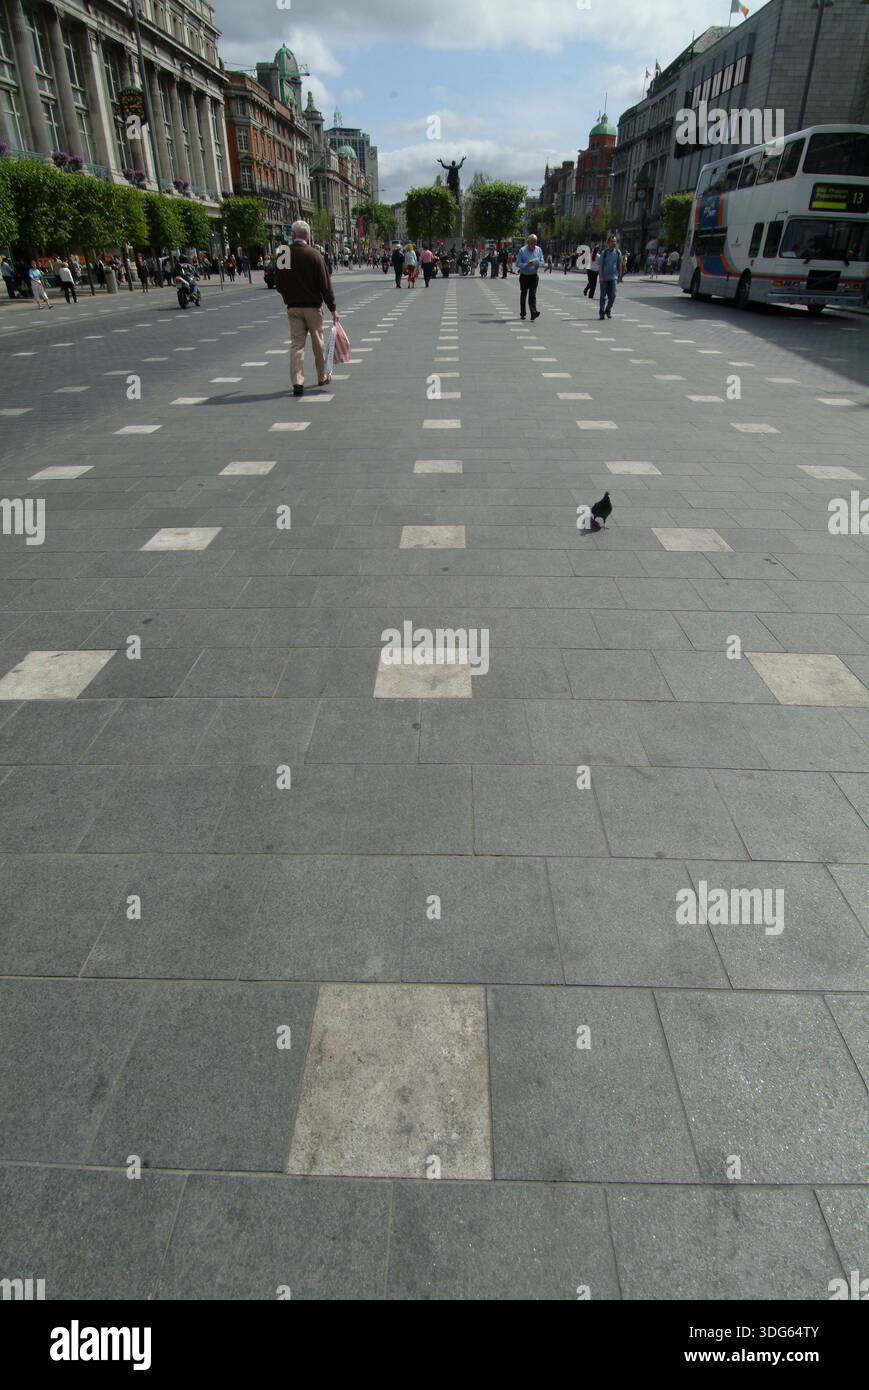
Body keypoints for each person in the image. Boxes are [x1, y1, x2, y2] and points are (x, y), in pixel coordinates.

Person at [273, 219, 337, 397]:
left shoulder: (283, 254)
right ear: (308, 236)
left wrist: (288, 295)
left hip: (293, 307)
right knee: (318, 343)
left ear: (293, 235)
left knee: (297, 345)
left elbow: (278, 283)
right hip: (312, 307)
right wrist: (332, 307)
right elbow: (325, 284)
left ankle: (297, 381)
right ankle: (322, 376)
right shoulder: (314, 255)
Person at [516, 233, 544, 320]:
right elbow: (518, 263)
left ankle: (533, 313)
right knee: (524, 294)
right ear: (528, 242)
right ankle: (523, 313)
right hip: (524, 276)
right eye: (532, 242)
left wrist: (538, 264)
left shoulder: (538, 249)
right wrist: (526, 265)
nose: (534, 245)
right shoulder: (522, 250)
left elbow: (542, 261)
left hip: (534, 276)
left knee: (532, 295)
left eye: (535, 242)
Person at [598, 235, 621, 320]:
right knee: (603, 297)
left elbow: (619, 265)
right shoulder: (604, 253)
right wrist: (600, 277)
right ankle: (601, 312)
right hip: (604, 278)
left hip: (613, 277)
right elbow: (600, 266)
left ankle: (608, 310)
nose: (614, 243)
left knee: (613, 295)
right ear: (608, 243)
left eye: (615, 241)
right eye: (612, 241)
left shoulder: (618, 252)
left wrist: (619, 276)